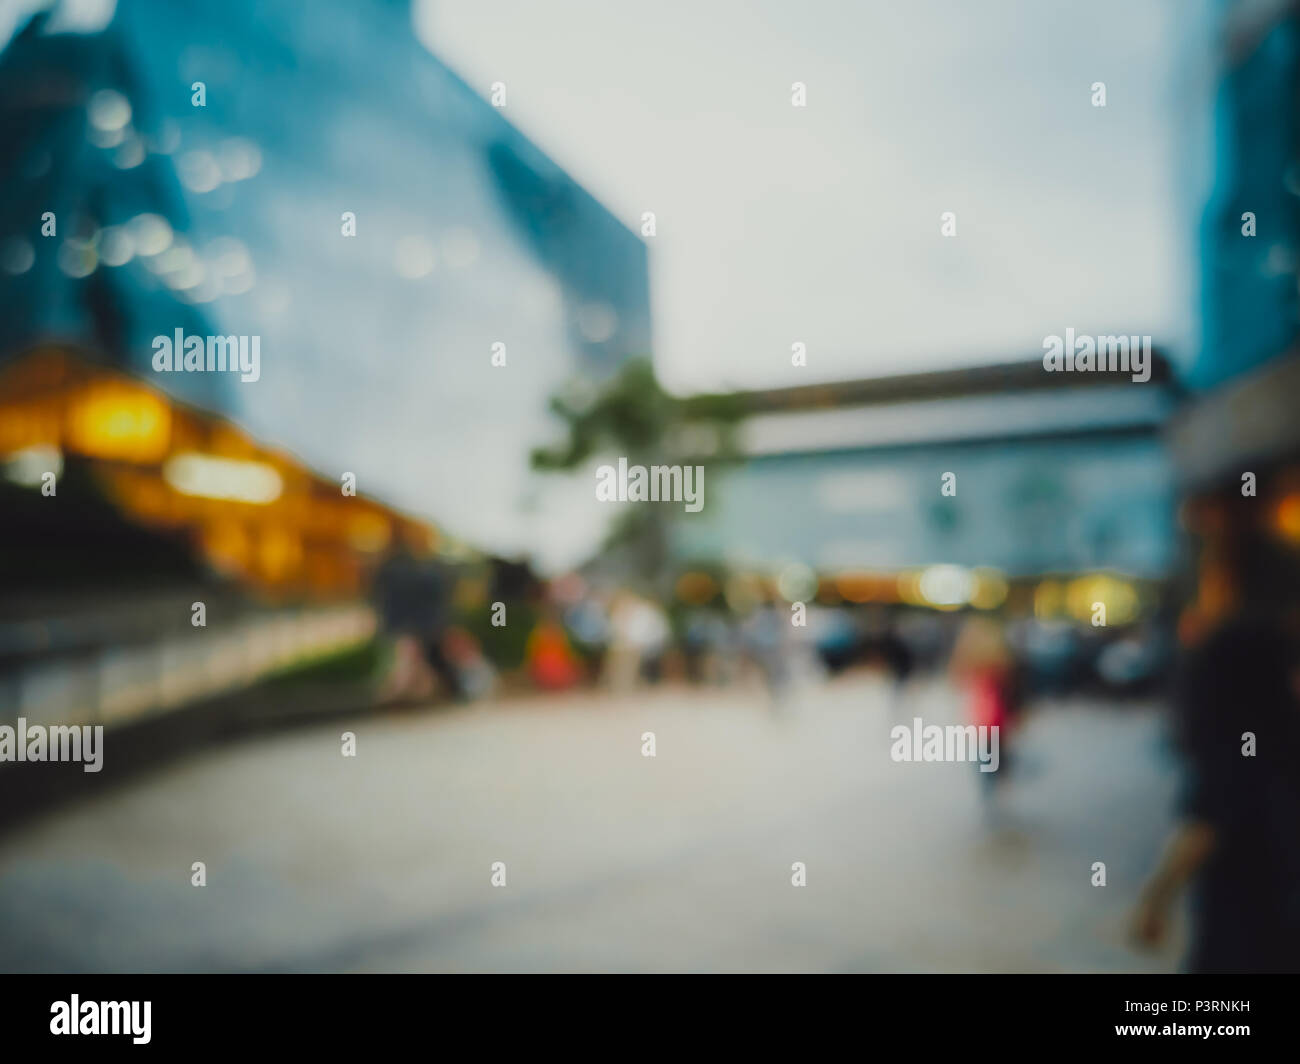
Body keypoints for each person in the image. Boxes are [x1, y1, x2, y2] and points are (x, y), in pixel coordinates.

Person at [1132, 538, 1300, 972]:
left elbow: (1206, 822)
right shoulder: (1278, 733)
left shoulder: (1239, 739)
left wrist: (1154, 900)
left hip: (1246, 940)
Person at [372, 532, 464, 702]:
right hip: (420, 625)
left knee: (411, 663)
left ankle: (403, 697)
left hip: (410, 625)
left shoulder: (397, 569)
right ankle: (404, 696)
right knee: (413, 663)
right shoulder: (426, 570)